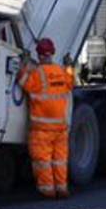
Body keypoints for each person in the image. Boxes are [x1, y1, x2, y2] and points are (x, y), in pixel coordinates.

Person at [18, 37, 75, 199]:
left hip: (42, 129)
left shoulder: (37, 74)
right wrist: (69, 65)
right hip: (60, 128)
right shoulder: (61, 71)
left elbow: (23, 81)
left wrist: (23, 63)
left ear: (39, 55)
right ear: (53, 53)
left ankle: (48, 191)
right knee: (60, 160)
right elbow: (71, 82)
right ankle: (62, 189)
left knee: (43, 161)